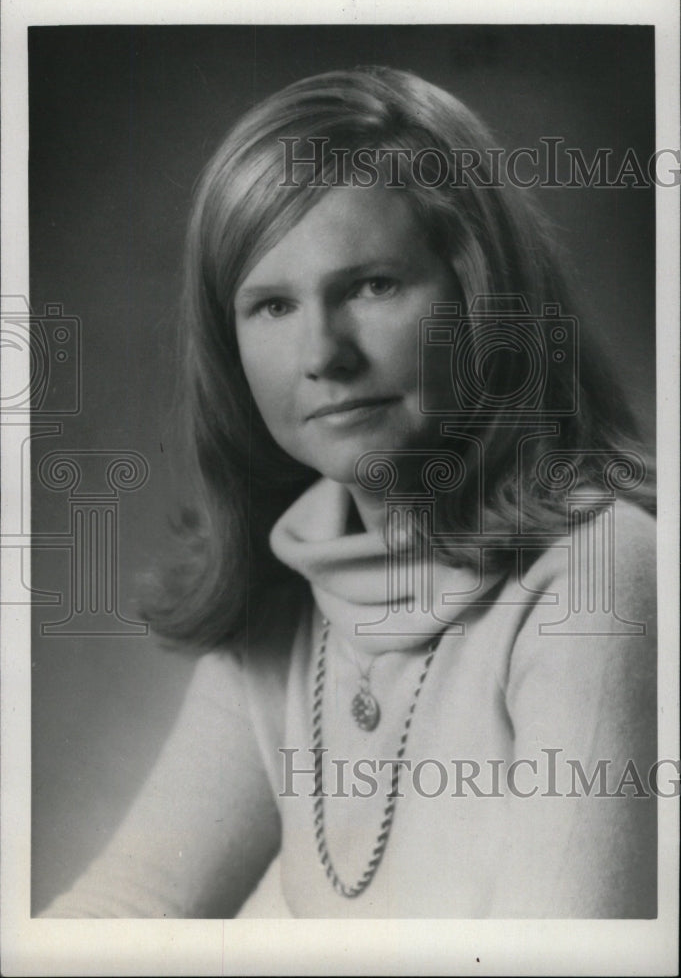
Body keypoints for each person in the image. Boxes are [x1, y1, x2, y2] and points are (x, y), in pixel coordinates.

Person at [42, 66, 657, 918]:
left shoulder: (602, 571)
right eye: (271, 306)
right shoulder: (297, 576)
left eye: (370, 285)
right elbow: (130, 902)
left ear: (485, 300)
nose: (322, 354)